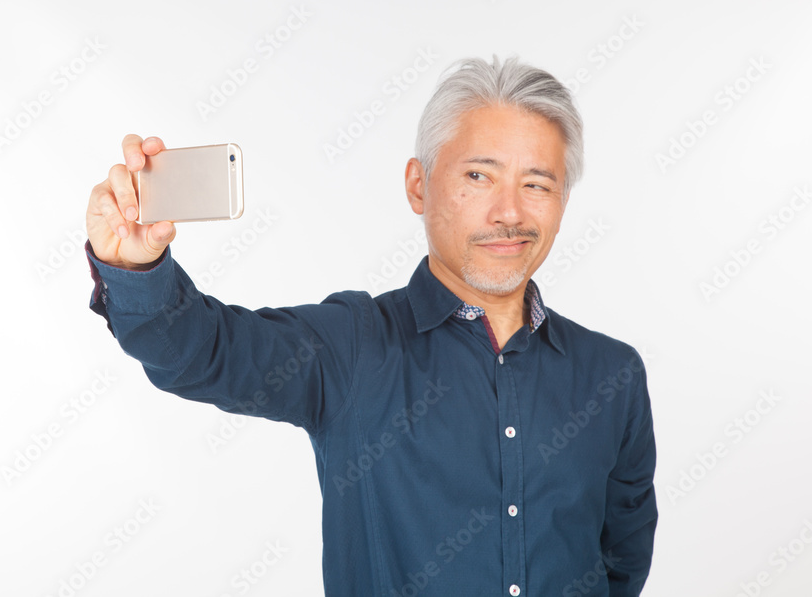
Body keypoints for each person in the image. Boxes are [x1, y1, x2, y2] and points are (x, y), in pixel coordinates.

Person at [83, 55, 658, 596]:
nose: (510, 212)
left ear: (562, 201)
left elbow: (620, 564)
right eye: (480, 176)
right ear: (418, 185)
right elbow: (203, 352)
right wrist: (136, 270)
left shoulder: (614, 375)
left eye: (537, 184)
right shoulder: (351, 347)